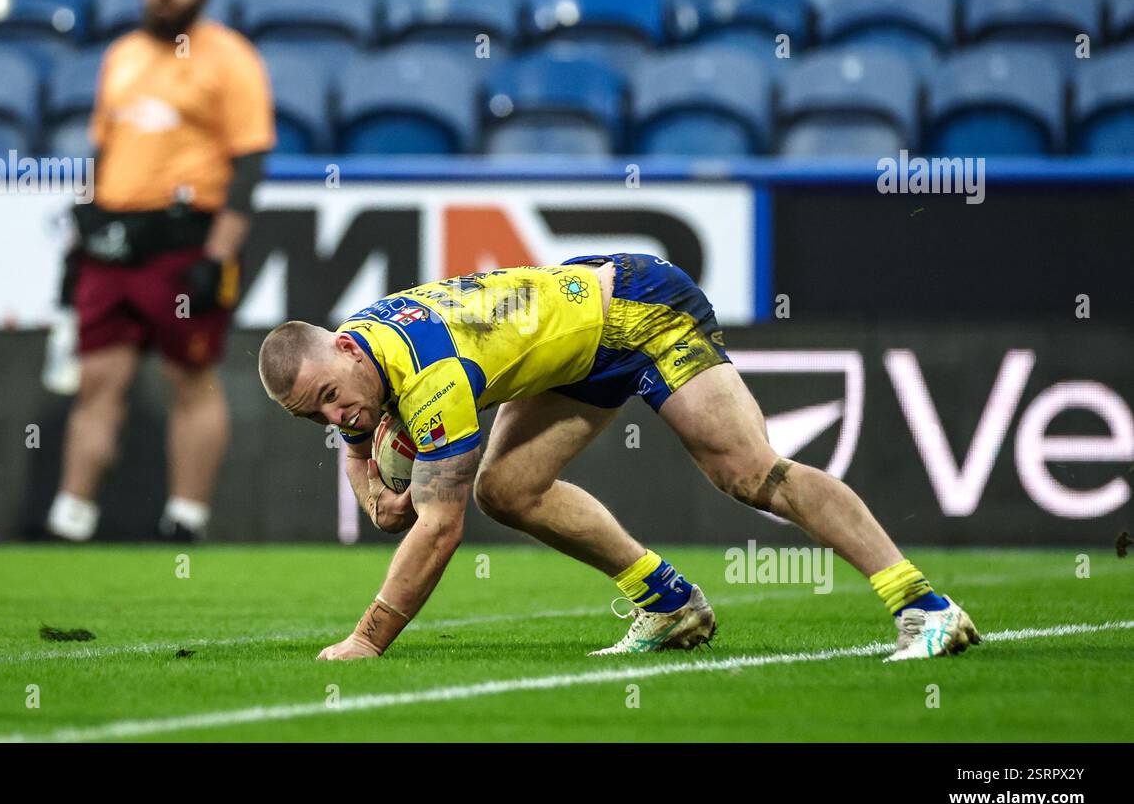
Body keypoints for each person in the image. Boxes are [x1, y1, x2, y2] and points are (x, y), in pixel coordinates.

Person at [258, 254, 981, 661]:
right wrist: (374, 496)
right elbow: (357, 447)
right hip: (575, 342)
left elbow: (438, 528)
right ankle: (669, 605)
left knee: (750, 474)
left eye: (328, 396)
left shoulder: (429, 374)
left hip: (642, 312)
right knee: (507, 488)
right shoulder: (355, 359)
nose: (334, 416)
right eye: (311, 414)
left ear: (346, 349)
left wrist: (368, 638)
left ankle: (927, 608)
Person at [46, 0, 274, 542]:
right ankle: (72, 515)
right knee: (98, 380)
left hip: (183, 240)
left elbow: (249, 164)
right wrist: (78, 240)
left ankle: (186, 516)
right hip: (111, 243)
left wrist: (217, 255)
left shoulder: (231, 57)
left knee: (189, 377)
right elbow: (101, 151)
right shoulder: (121, 55)